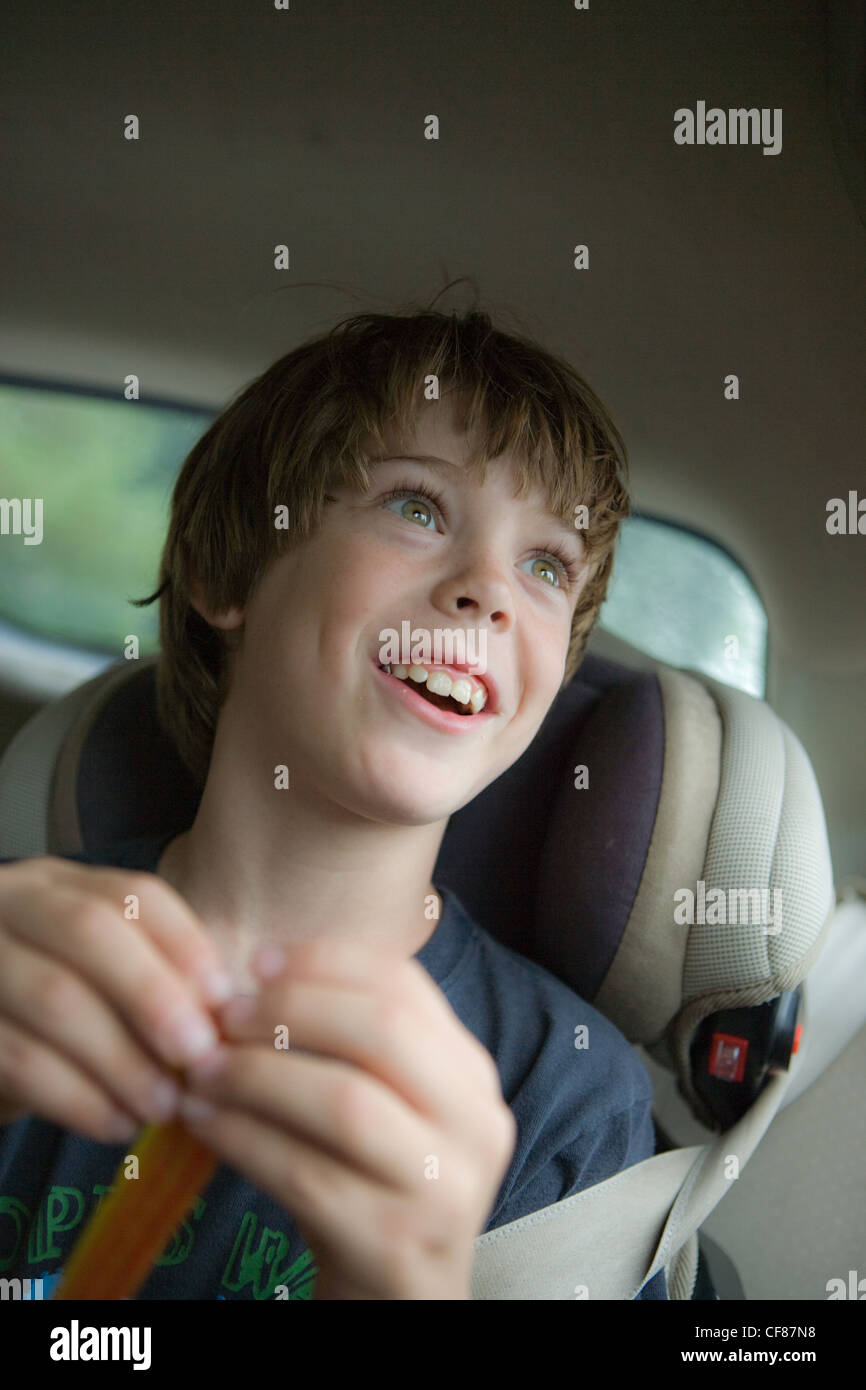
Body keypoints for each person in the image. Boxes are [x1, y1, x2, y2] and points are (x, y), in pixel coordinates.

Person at [0, 304, 667, 1299]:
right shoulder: (20, 950)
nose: (487, 586)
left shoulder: (563, 1092)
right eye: (417, 507)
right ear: (227, 569)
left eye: (544, 566)